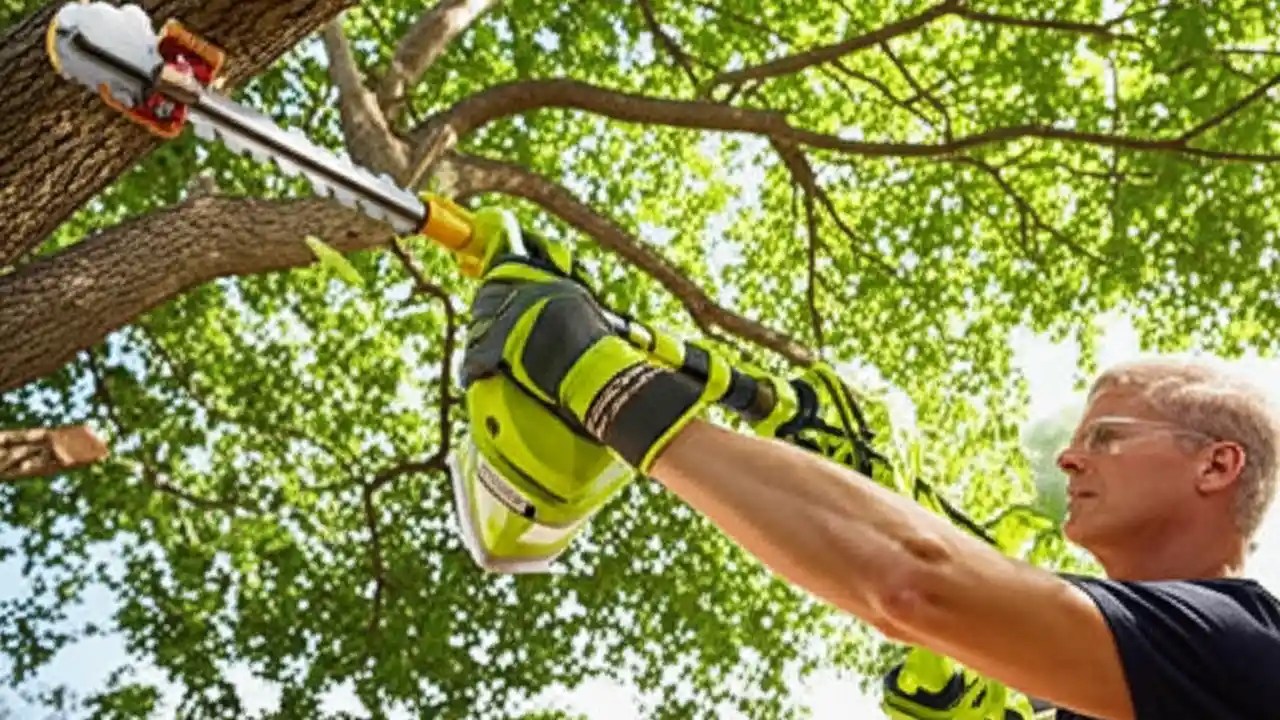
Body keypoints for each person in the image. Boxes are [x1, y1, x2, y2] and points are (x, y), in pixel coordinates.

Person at [460, 255, 1280, 720]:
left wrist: (608, 388)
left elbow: (914, 581)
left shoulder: (1242, 645)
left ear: (1217, 465)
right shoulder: (1137, 686)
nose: (1069, 462)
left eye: (1105, 437)